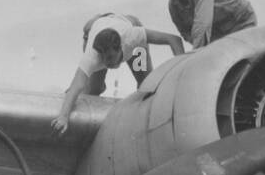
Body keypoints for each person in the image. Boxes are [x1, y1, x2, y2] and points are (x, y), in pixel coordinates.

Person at [51, 14, 186, 136]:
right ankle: (95, 24)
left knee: (146, 85)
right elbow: (75, 87)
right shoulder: (93, 57)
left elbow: (174, 39)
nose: (107, 63)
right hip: (97, 26)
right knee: (92, 91)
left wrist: (182, 71)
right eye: (102, 58)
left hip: (127, 23)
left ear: (121, 47)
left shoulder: (133, 37)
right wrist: (63, 116)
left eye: (109, 57)